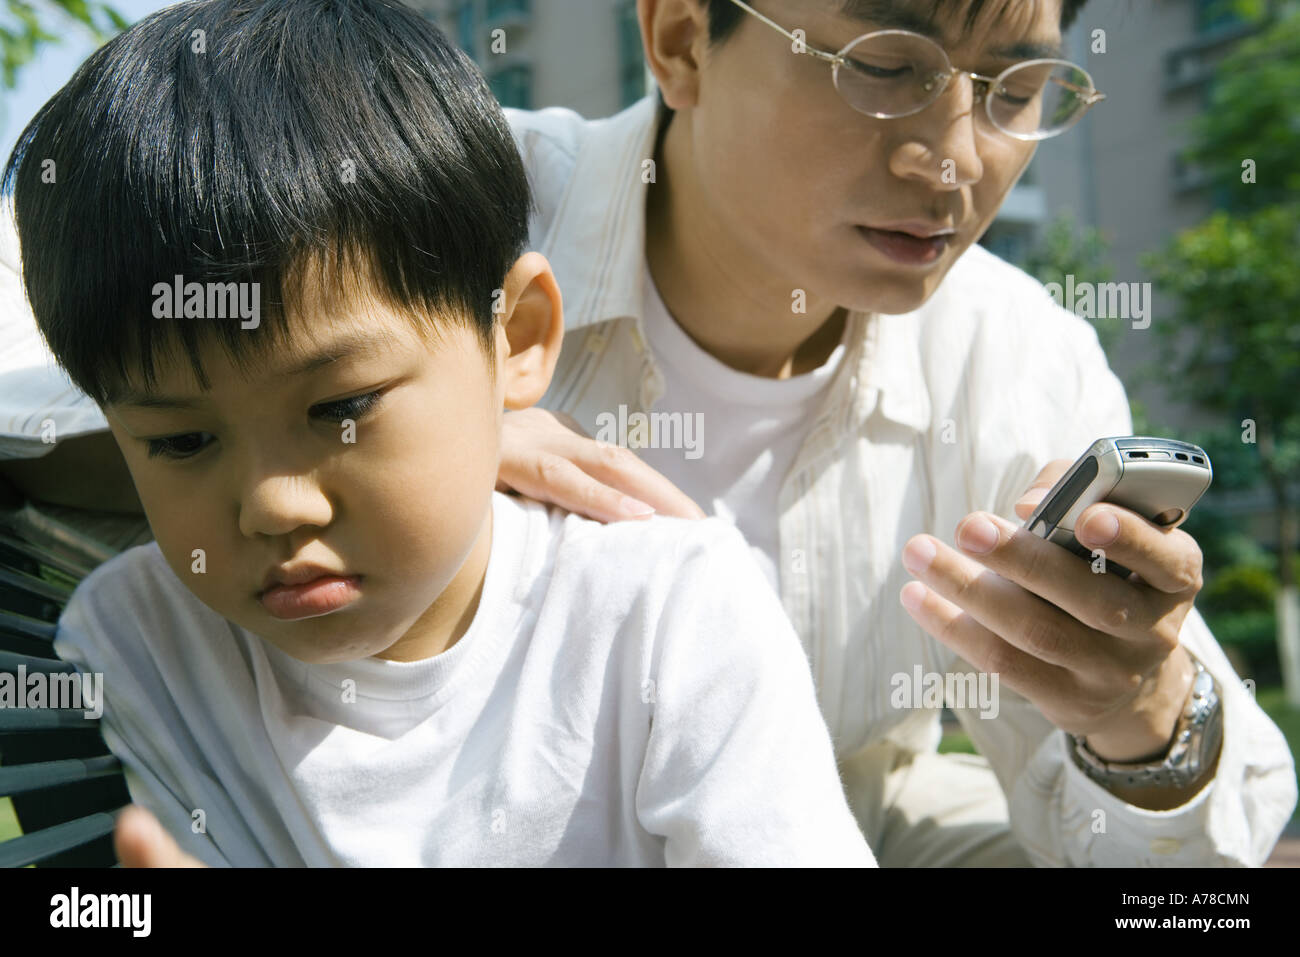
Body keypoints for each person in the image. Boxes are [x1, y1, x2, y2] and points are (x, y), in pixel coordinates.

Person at [1, 0, 1294, 867]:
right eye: (888, 67)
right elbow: (85, 316)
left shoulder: (1014, 362)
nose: (955, 158)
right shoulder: (434, 211)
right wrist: (398, 427)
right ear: (680, 39)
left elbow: (1213, 840)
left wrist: (1147, 721)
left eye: (1015, 89)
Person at [2, 0, 876, 867]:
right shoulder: (138, 638)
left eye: (342, 408)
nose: (272, 504)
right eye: (183, 442)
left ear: (519, 339)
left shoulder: (670, 616)